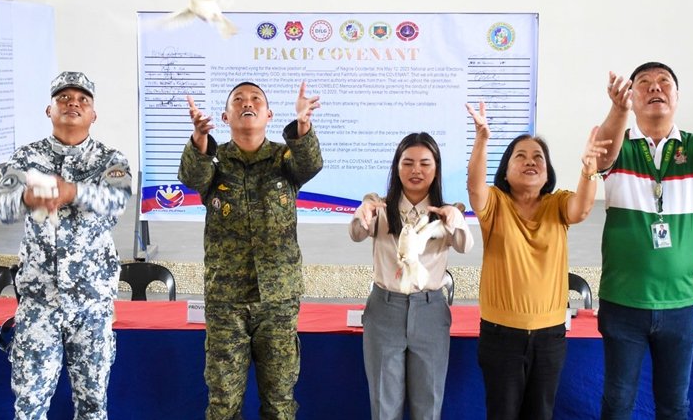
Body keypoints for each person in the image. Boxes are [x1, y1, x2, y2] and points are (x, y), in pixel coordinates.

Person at [593, 63, 693, 419]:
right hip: (623, 303)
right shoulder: (617, 143)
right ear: (632, 98)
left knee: (674, 406)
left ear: (677, 97)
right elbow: (601, 156)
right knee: (617, 403)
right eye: (645, 84)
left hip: (680, 304)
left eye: (664, 82)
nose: (655, 88)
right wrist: (617, 110)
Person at [0, 71, 133, 420]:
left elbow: (118, 200)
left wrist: (73, 192)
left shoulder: (110, 159)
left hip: (92, 305)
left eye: (83, 100)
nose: (73, 103)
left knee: (92, 405)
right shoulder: (27, 157)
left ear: (93, 115)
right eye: (64, 98)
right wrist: (27, 196)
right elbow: (1, 208)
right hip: (40, 302)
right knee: (29, 405)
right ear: (49, 110)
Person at [178, 81, 323, 420]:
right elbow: (192, 178)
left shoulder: (284, 159)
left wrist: (302, 126)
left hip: (278, 299)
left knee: (280, 402)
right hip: (226, 301)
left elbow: (310, 165)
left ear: (269, 114)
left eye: (256, 99)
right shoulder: (216, 162)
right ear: (226, 115)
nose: (248, 103)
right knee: (224, 403)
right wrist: (200, 138)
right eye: (239, 100)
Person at [466, 102, 607, 419]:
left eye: (537, 158)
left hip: (550, 336)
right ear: (505, 169)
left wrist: (589, 168)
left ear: (547, 172)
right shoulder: (496, 204)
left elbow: (581, 208)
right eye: (521, 156)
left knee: (540, 414)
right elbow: (475, 188)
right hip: (501, 334)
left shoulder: (557, 204)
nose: (530, 161)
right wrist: (482, 139)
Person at [349, 132, 474, 420]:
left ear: (436, 169)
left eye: (425, 163)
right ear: (397, 168)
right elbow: (356, 234)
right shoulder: (378, 205)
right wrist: (362, 215)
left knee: (428, 407)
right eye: (408, 163)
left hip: (430, 310)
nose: (416, 170)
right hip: (384, 310)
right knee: (384, 406)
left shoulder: (448, 211)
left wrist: (457, 223)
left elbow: (466, 246)